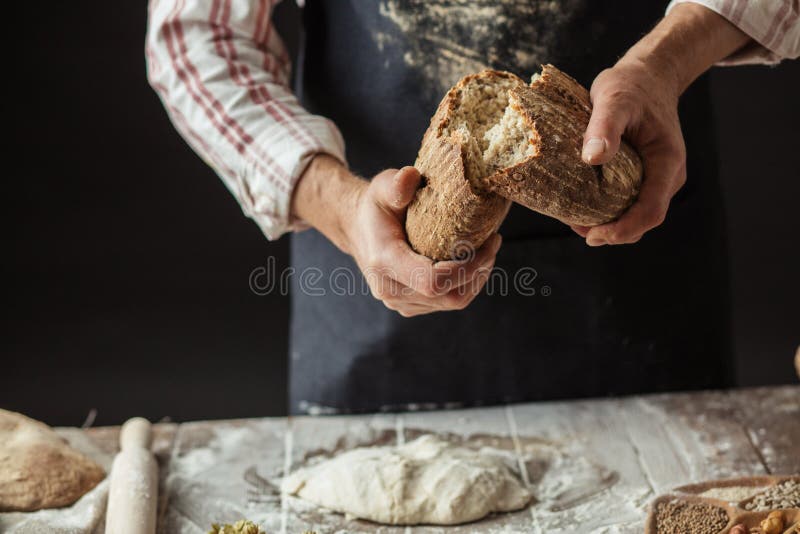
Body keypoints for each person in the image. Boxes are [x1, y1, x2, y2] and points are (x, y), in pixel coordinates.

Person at [146, 1, 800, 414]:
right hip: (376, 247)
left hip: (635, 259)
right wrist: (338, 204)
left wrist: (664, 62)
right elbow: (196, 36)